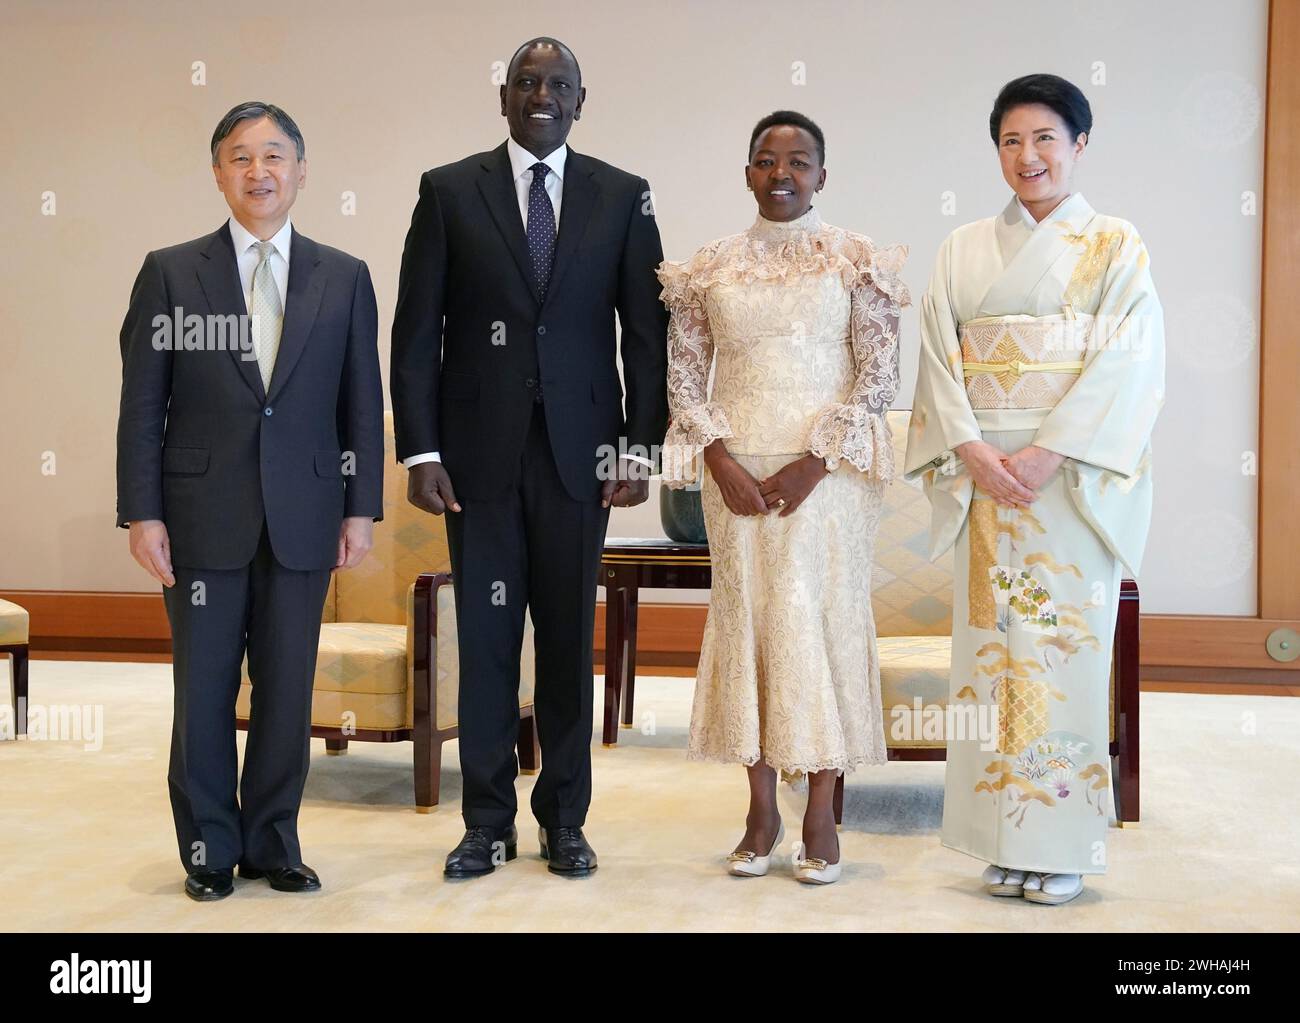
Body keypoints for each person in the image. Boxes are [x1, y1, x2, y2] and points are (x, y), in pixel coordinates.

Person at [391, 37, 668, 879]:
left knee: (564, 641)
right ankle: (486, 819)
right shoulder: (447, 192)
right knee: (486, 638)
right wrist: (423, 449)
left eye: (558, 84)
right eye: (526, 81)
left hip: (580, 459)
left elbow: (646, 335)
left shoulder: (623, 196)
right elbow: (415, 331)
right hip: (476, 462)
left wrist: (639, 443)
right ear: (502, 97)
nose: (541, 93)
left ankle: (565, 817)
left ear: (582, 101)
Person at [904, 74, 1165, 905]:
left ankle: (1061, 839)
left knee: (1062, 656)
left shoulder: (1116, 244)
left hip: (1066, 487)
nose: (1029, 156)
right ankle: (999, 836)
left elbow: (1130, 360)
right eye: (1012, 141)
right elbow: (940, 358)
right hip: (988, 482)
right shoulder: (961, 247)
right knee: (990, 654)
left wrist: (1050, 453)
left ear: (1079, 144)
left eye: (1046, 137)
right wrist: (973, 450)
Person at [116, 101, 384, 901]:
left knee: (285, 684)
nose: (258, 171)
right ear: (217, 173)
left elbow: (361, 404)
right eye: (240, 157)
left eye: (273, 156)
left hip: (304, 514)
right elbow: (142, 404)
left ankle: (274, 840)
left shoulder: (344, 275)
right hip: (199, 515)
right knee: (202, 687)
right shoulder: (171, 270)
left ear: (301, 171)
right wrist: (143, 511)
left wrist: (360, 506)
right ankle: (207, 847)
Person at [658, 111, 907, 885]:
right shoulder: (711, 268)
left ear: (823, 176)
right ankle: (761, 808)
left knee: (818, 619)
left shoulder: (858, 259)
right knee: (751, 623)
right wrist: (721, 459)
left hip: (824, 481)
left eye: (799, 161)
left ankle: (822, 808)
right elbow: (685, 375)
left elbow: (878, 379)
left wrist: (814, 463)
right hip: (734, 476)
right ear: (747, 173)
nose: (782, 174)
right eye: (767, 160)